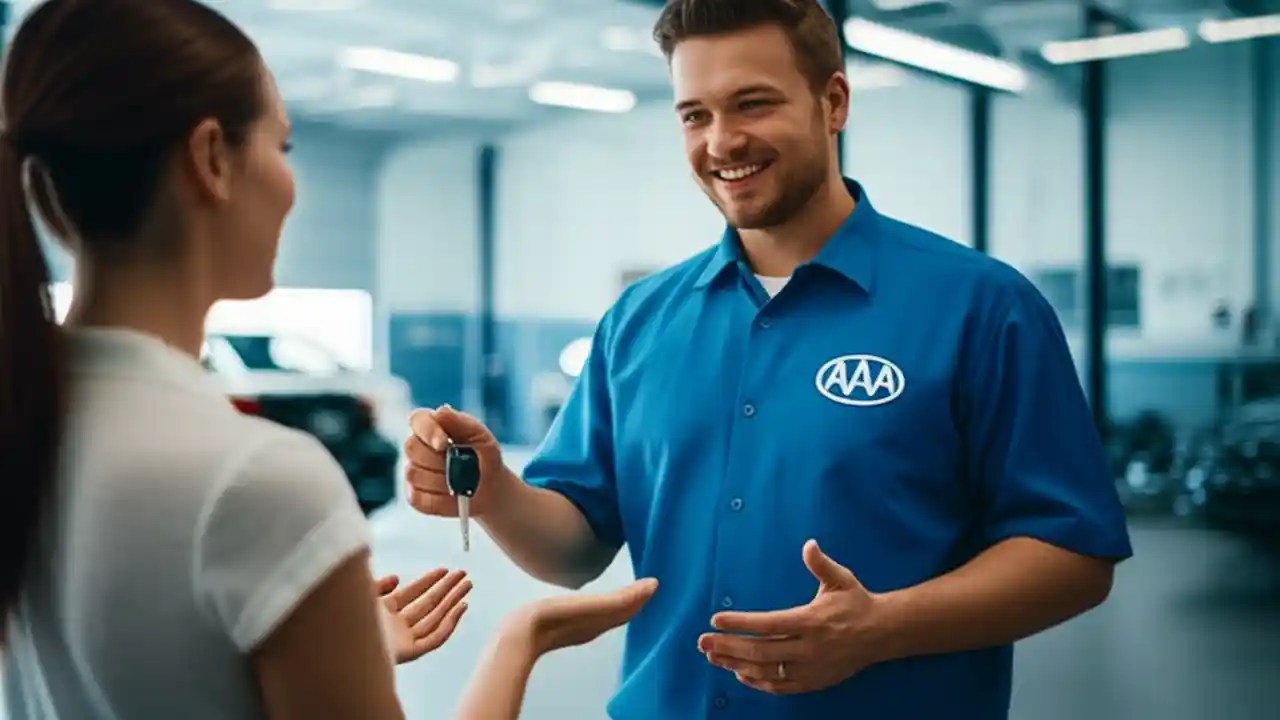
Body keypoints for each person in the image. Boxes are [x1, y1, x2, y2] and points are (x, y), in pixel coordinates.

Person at [403, 0, 1134, 717]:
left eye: (752, 104)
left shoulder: (981, 308)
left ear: (833, 101)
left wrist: (882, 628)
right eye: (695, 114)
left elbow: (1070, 555)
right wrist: (494, 490)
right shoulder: (638, 322)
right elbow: (575, 548)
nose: (721, 142)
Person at [0, 1, 655, 719]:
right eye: (281, 148)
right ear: (212, 159)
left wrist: (333, 652)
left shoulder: (31, 420)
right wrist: (519, 639)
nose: (290, 184)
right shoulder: (259, 480)